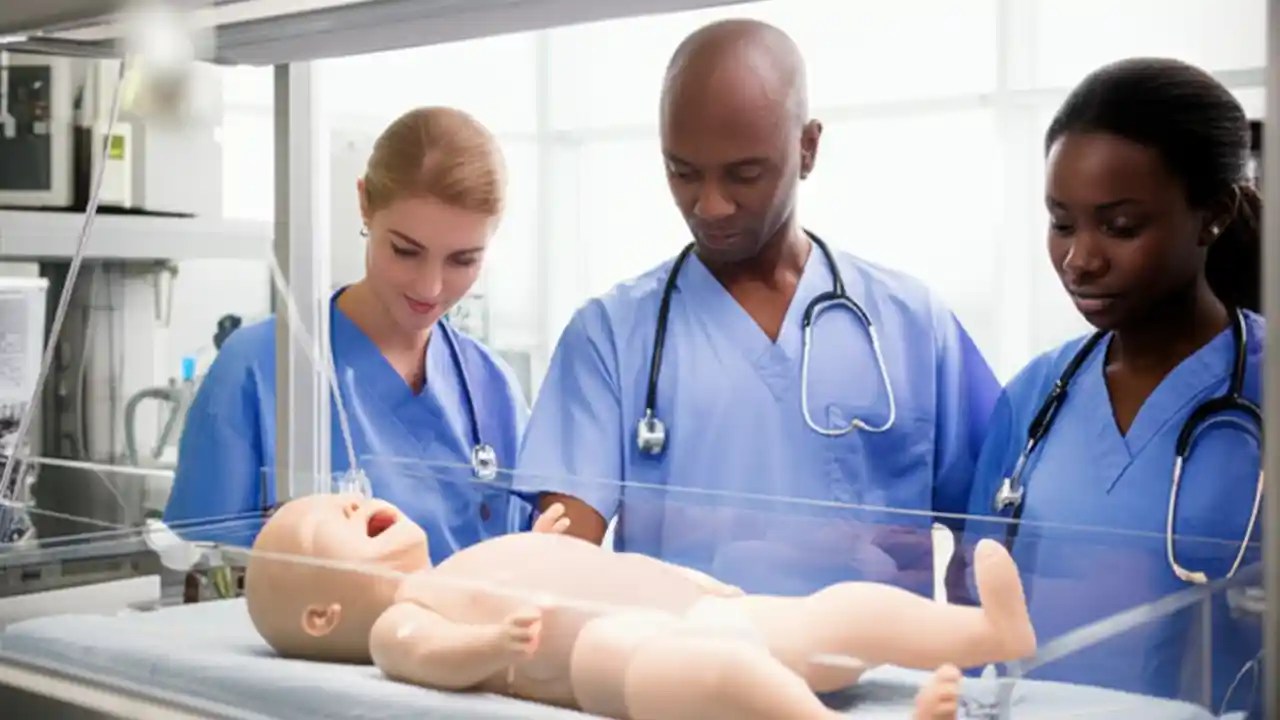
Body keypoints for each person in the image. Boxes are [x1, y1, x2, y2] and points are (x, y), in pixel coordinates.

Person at [513, 18, 999, 597]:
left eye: (744, 175)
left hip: (884, 681)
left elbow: (996, 541)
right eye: (682, 172)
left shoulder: (914, 325)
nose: (710, 206)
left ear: (808, 147)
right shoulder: (611, 336)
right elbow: (559, 565)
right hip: (687, 676)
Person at [963, 58, 1264, 711]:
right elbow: (973, 615)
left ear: (1212, 215)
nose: (1080, 259)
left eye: (1121, 226)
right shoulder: (1035, 397)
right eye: (1062, 223)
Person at [244, 492, 1038, 720]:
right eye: (332, 521)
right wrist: (491, 643)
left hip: (690, 604)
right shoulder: (393, 619)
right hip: (610, 656)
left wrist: (549, 546)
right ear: (322, 617)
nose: (354, 502)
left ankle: (983, 630)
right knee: (729, 675)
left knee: (843, 612)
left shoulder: (457, 563)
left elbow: (594, 566)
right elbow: (426, 657)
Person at [165, 107, 529, 562]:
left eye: (463, 261)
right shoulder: (260, 367)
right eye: (405, 251)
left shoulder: (492, 388)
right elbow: (201, 570)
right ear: (365, 204)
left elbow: (525, 570)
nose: (430, 287)